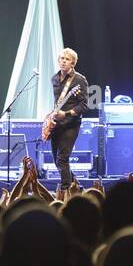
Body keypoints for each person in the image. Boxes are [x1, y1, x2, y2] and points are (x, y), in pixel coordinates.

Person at [46, 48, 89, 190]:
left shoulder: (79, 80)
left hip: (71, 124)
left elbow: (84, 105)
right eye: (62, 58)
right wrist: (51, 116)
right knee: (57, 161)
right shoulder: (54, 79)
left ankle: (65, 191)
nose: (64, 61)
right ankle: (76, 186)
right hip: (57, 124)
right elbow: (57, 102)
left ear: (73, 63)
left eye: (67, 59)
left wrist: (67, 114)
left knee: (62, 158)